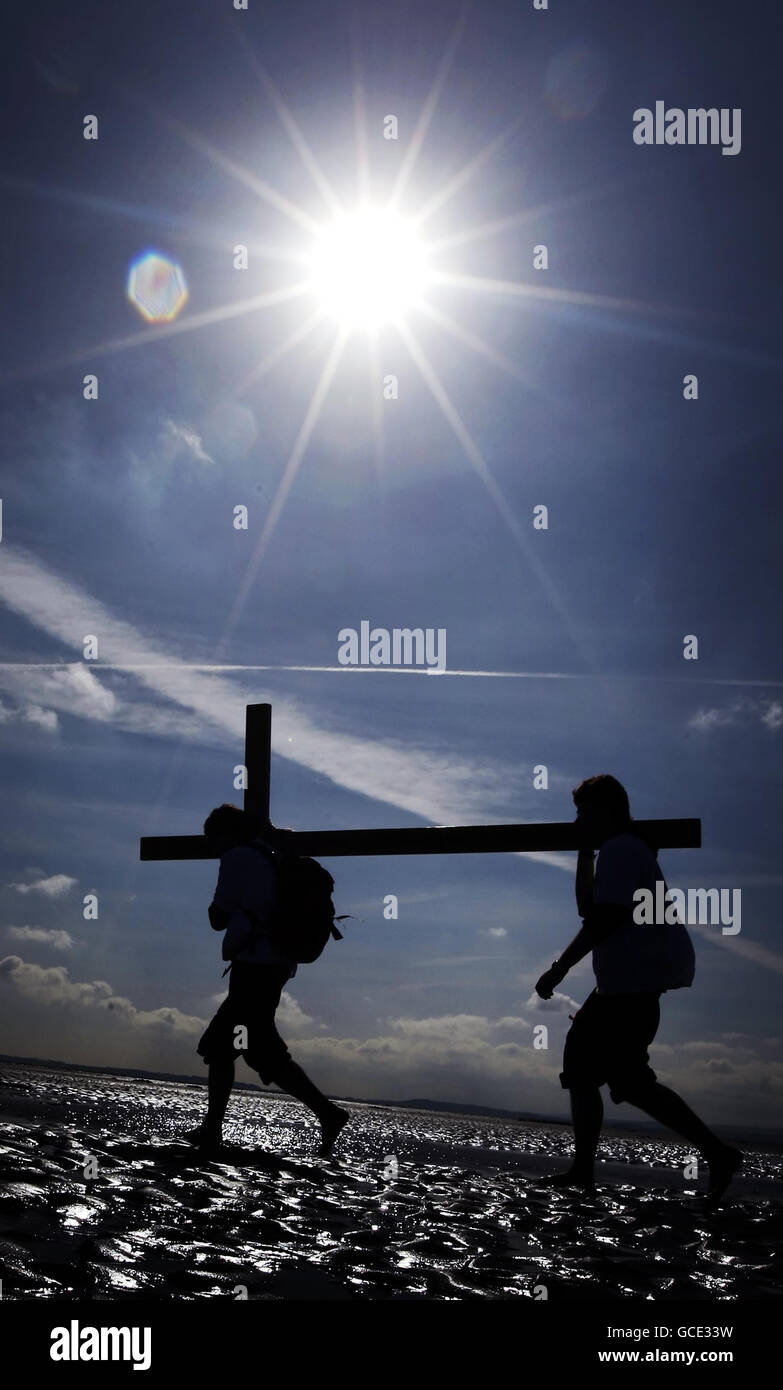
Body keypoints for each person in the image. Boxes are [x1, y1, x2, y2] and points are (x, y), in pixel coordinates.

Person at [535, 775, 741, 1200]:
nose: (578, 821)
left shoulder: (623, 850)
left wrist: (558, 970)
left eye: (584, 813)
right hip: (623, 985)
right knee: (606, 1073)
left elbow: (601, 922)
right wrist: (583, 851)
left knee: (607, 1073)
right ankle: (712, 1154)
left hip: (631, 986)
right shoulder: (614, 851)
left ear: (606, 811)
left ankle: (713, 1154)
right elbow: (586, 907)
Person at [187, 803, 349, 1158]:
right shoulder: (271, 856)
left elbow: (218, 917)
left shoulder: (236, 858)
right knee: (257, 1049)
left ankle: (214, 1130)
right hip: (274, 965)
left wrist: (227, 909)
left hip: (254, 966)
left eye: (213, 839)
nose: (212, 848)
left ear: (225, 835)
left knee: (222, 1047)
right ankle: (328, 1113)